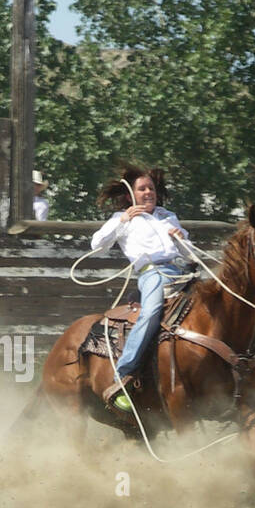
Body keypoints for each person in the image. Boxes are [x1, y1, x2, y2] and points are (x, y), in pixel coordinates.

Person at [90, 166, 192, 411]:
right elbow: (97, 245)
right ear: (130, 195)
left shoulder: (167, 216)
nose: (149, 193)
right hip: (152, 273)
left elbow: (189, 252)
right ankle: (122, 378)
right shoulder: (122, 219)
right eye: (142, 189)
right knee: (151, 312)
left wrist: (182, 239)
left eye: (151, 188)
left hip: (183, 271)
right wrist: (123, 220)